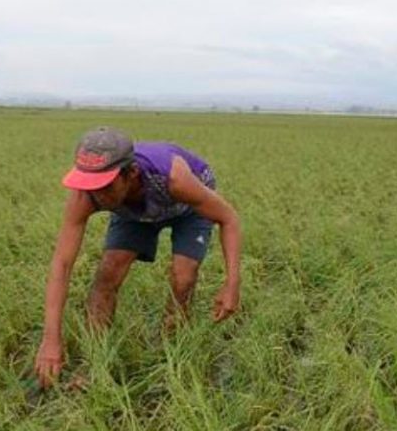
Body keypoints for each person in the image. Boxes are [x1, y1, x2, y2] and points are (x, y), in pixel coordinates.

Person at [33, 126, 241, 388]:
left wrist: (232, 283)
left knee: (183, 277)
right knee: (108, 274)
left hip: (188, 207)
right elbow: (62, 265)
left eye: (104, 186)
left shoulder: (174, 178)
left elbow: (229, 219)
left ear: (131, 174)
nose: (97, 195)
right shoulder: (87, 195)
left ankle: (170, 357)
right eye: (90, 186)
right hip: (133, 211)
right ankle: (96, 364)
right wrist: (51, 339)